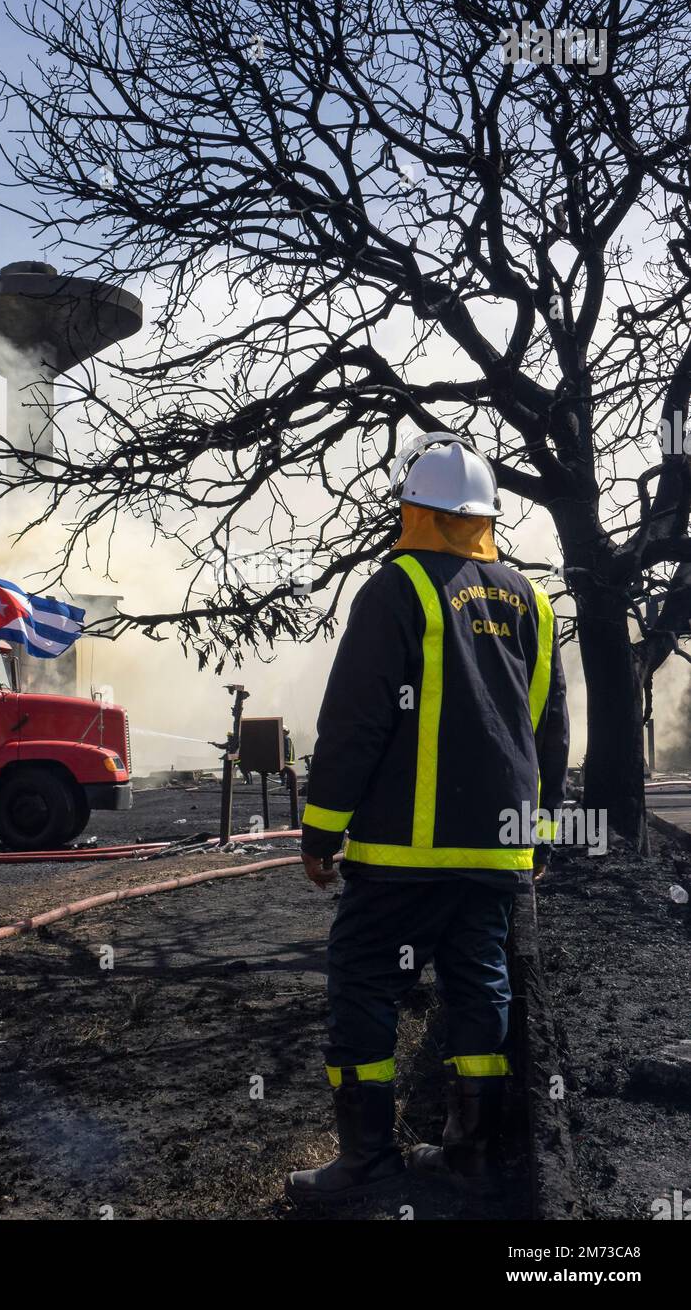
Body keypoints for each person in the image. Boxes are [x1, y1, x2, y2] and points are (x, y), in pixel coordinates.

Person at [285, 433, 569, 1204]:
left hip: (401, 857)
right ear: (483, 516)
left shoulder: (395, 588)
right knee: (480, 989)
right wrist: (541, 833)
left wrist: (321, 830)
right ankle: (471, 1159)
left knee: (364, 987)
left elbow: (355, 723)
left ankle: (366, 1164)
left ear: (416, 510)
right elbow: (548, 730)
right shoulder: (533, 601)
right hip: (497, 857)